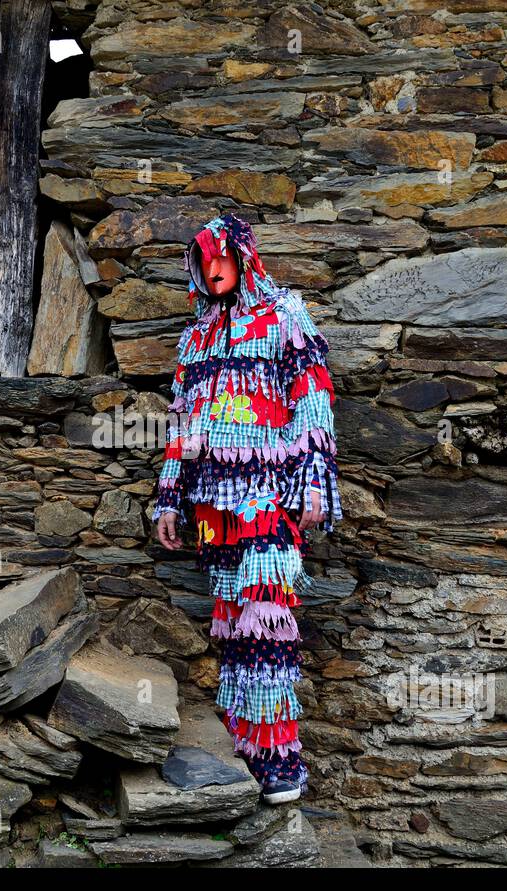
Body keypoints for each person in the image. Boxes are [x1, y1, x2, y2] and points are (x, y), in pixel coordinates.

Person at [153, 213, 342, 804]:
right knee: (235, 629)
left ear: (243, 256)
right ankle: (244, 743)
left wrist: (315, 481)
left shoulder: (285, 317)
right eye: (203, 259)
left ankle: (280, 758)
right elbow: (182, 425)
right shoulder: (195, 341)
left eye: (223, 256)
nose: (214, 269)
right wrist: (168, 496)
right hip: (213, 505)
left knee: (270, 626)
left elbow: (313, 397)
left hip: (269, 496)